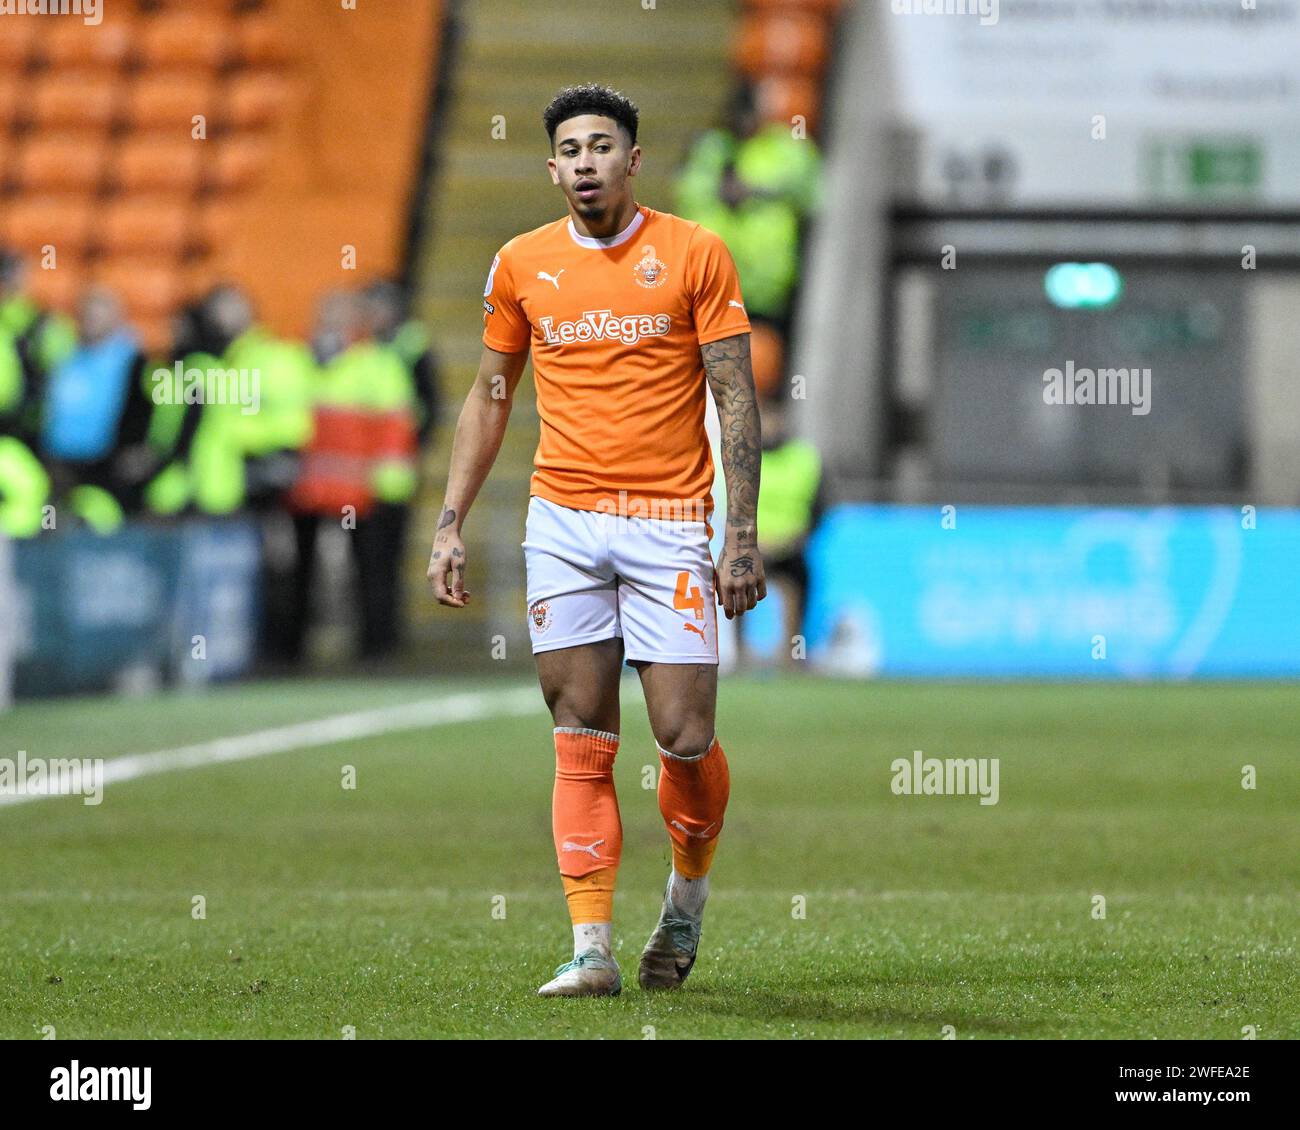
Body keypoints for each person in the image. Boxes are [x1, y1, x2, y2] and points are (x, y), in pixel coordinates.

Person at [427, 83, 766, 997]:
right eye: (570, 149)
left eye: (600, 146)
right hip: (565, 522)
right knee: (580, 734)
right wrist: (451, 520)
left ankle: (684, 903)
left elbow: (734, 393)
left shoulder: (694, 253)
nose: (585, 162)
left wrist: (741, 535)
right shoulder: (521, 263)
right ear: (552, 167)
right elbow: (490, 397)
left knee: (683, 737)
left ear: (633, 159)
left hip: (669, 523)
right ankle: (591, 948)